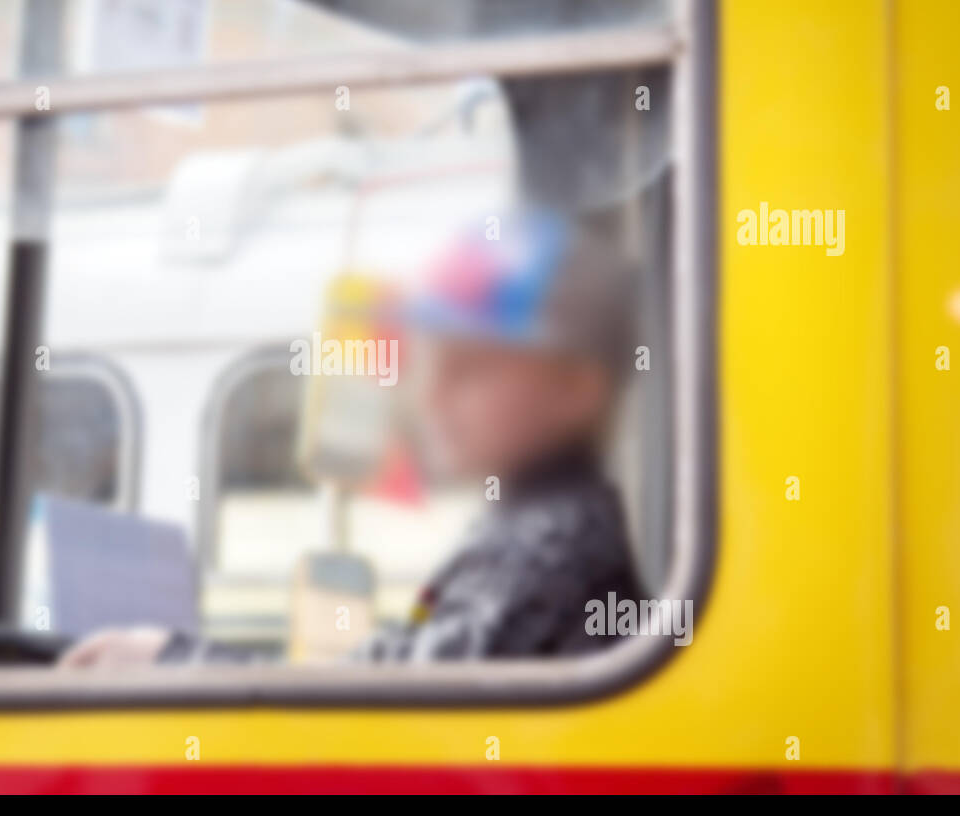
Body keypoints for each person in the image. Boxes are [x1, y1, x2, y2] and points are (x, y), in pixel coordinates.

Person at [59, 208, 643, 669]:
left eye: (468, 369)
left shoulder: (557, 542)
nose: (430, 397)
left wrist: (171, 663)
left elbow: (395, 703)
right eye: (428, 367)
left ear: (575, 387)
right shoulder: (529, 526)